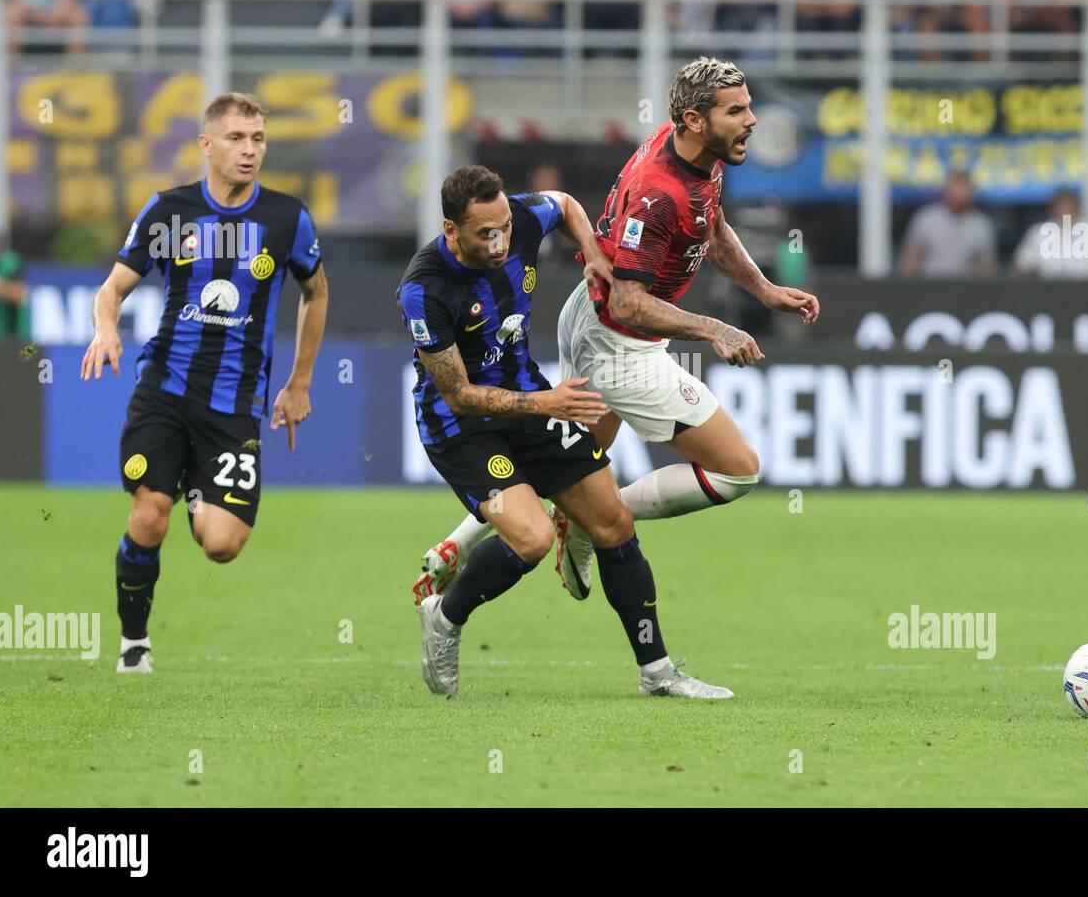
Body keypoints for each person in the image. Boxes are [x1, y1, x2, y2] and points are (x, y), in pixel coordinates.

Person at [416, 57, 820, 606]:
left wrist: (765, 290)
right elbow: (631, 304)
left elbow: (712, 225)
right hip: (619, 343)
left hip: (591, 316)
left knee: (576, 462)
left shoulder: (696, 151)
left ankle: (459, 542)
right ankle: (587, 522)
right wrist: (714, 329)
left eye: (748, 106)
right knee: (737, 471)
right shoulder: (659, 195)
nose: (752, 119)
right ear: (695, 120)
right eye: (737, 110)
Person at [400, 165, 733, 699]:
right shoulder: (424, 290)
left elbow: (566, 202)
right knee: (531, 540)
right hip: (461, 428)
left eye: (505, 226)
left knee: (614, 523)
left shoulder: (521, 218)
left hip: (530, 404)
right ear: (450, 230)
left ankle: (657, 672)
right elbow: (459, 393)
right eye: (486, 233)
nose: (501, 240)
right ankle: (445, 614)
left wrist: (597, 257)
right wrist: (547, 401)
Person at [80, 92, 329, 673]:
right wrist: (105, 329)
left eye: (258, 139)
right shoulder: (170, 212)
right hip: (164, 390)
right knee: (149, 513)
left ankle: (198, 483)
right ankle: (134, 642)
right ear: (207, 144)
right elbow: (112, 288)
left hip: (236, 404)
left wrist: (299, 382)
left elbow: (315, 292)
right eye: (237, 138)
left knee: (221, 544)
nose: (249, 150)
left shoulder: (286, 218)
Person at [898, 170, 997, 277]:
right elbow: (910, 260)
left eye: (964, 187)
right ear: (946, 190)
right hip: (929, 285)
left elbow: (987, 267)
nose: (959, 193)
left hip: (966, 288)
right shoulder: (926, 218)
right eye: (956, 186)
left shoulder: (981, 225)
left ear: (971, 192)